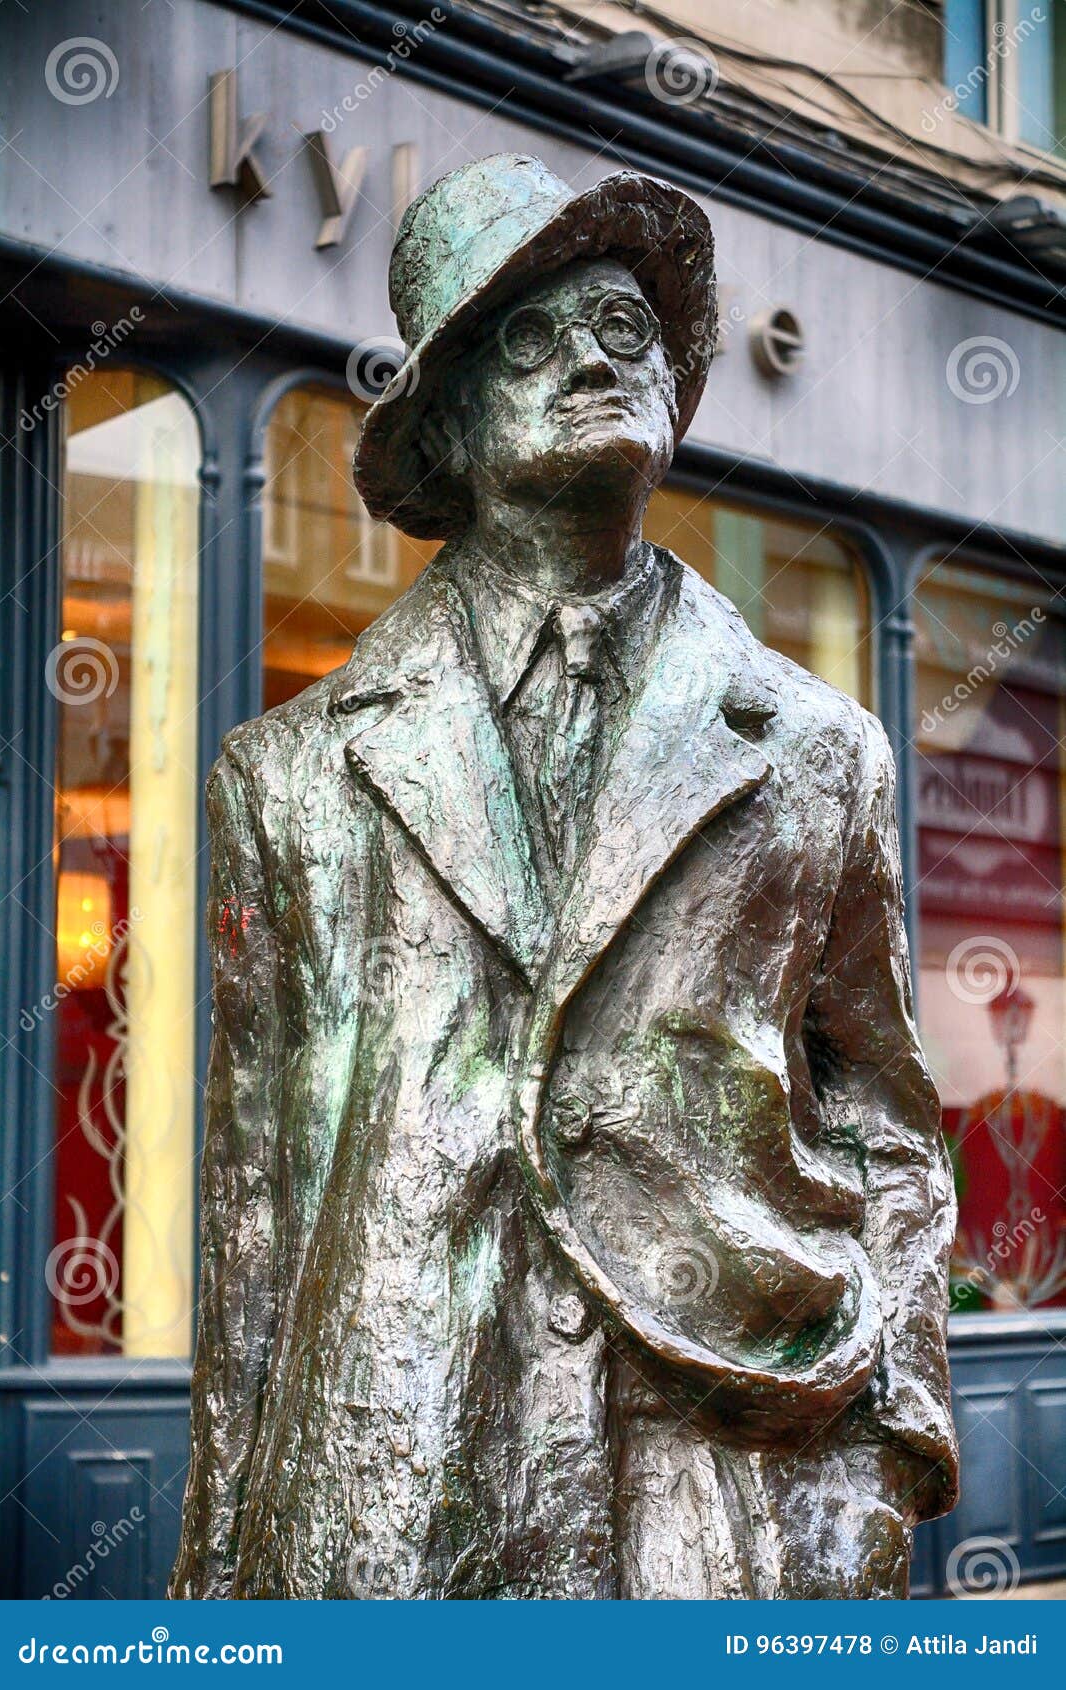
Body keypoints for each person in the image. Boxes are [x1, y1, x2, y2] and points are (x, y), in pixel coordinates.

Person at [171, 154, 957, 1600]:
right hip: (389, 1477)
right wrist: (222, 1562)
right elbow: (253, 1204)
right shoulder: (281, 776)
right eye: (528, 336)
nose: (595, 356)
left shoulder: (822, 754)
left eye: (626, 327)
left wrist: (887, 1446)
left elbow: (891, 1130)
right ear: (448, 418)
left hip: (724, 1477)